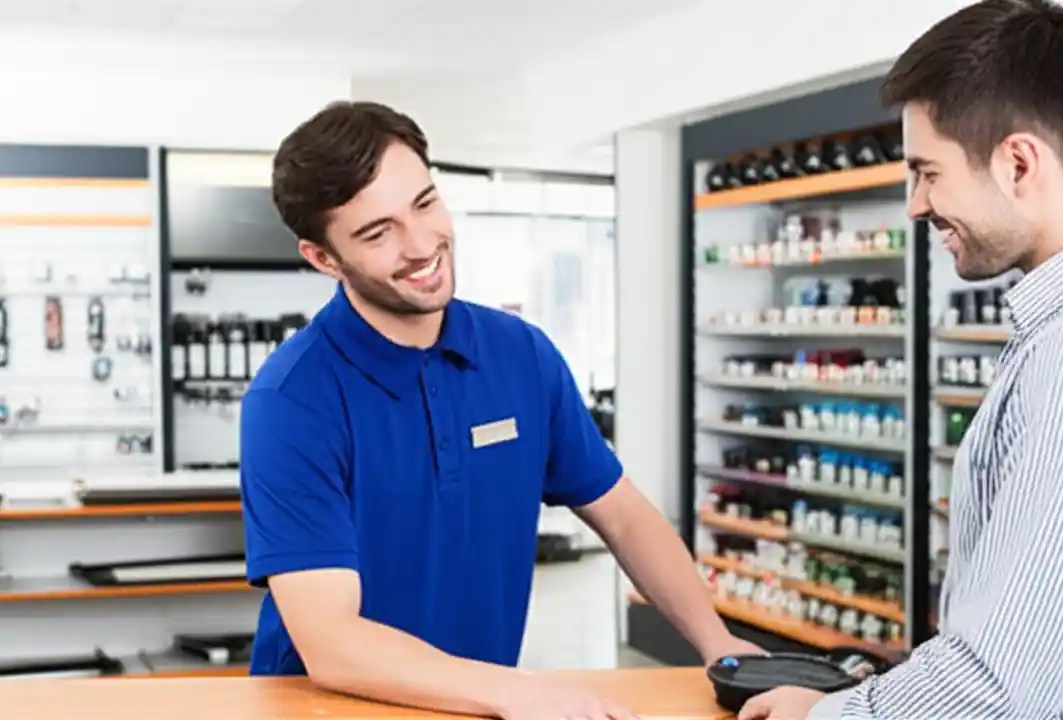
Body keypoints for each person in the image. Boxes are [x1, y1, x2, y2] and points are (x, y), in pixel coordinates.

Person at [741, 1, 1063, 719]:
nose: (917, 205)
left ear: (1018, 162)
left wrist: (824, 717)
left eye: (927, 172)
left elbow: (993, 684)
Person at [238, 100, 759, 720]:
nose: (421, 244)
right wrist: (522, 690)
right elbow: (333, 644)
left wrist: (717, 643)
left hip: (477, 705)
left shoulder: (521, 355)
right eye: (378, 233)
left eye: (425, 204)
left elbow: (623, 516)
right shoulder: (291, 401)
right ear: (323, 258)